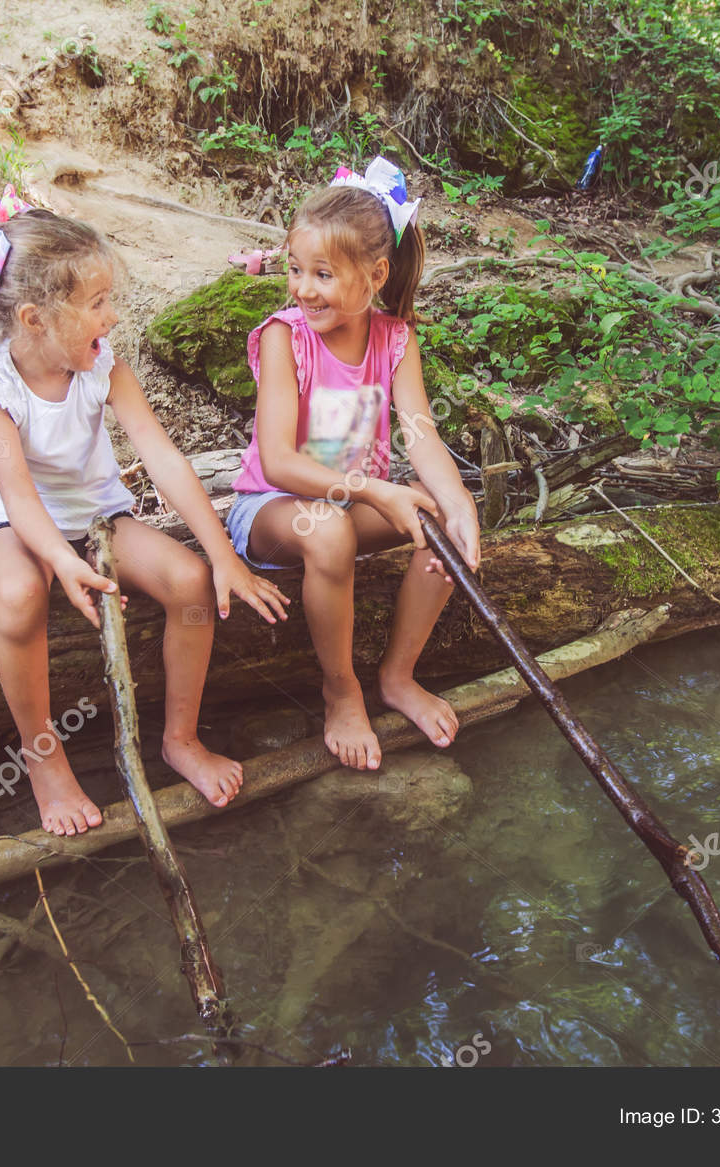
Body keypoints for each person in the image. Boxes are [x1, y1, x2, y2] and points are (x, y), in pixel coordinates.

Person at [0, 186, 289, 836]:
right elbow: (17, 494)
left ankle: (179, 737)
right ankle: (43, 755)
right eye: (97, 304)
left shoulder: (106, 369)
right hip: (20, 525)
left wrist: (222, 558)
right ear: (35, 319)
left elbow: (164, 460)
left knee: (188, 580)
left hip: (99, 515)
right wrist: (58, 564)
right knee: (19, 595)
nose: (111, 317)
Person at [225, 158, 481, 771]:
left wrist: (459, 503)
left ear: (375, 275)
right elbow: (280, 461)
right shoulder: (286, 338)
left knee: (436, 515)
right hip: (271, 510)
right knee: (331, 527)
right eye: (295, 270)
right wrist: (373, 490)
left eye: (322, 274)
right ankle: (341, 688)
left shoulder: (397, 339)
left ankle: (397, 676)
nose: (302, 288)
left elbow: (419, 431)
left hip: (352, 502)